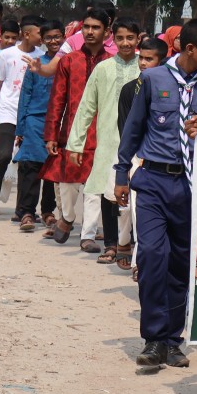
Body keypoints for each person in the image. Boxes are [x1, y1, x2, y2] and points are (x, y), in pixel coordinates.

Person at [115, 18, 197, 369]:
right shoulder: (152, 79)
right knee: (151, 257)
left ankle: (173, 339)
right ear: (190, 48)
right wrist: (121, 172)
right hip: (153, 181)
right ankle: (152, 339)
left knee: (181, 266)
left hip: (192, 185)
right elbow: (133, 128)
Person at [65, 18, 144, 264]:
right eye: (120, 38)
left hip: (139, 142)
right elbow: (86, 106)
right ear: (113, 38)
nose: (125, 43)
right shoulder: (103, 68)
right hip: (108, 138)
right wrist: (75, 143)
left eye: (130, 38)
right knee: (106, 191)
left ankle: (128, 244)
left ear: (138, 39)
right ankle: (110, 244)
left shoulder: (147, 69)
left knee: (135, 195)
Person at [41, 9, 112, 244]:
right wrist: (51, 134)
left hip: (102, 134)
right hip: (72, 132)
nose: (90, 32)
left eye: (96, 27)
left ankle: (88, 235)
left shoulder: (111, 64)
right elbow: (57, 99)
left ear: (106, 32)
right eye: (86, 27)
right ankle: (68, 217)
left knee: (94, 185)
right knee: (67, 183)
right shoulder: (69, 61)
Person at [0, 15, 43, 218]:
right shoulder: (7, 55)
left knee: (28, 161)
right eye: (40, 33)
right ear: (27, 34)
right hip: (7, 112)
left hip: (30, 114)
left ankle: (23, 209)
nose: (43, 37)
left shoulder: (41, 56)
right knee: (4, 154)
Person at [115, 37, 169, 273]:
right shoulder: (129, 90)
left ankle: (140, 262)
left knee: (148, 216)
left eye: (150, 59)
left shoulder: (170, 89)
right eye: (142, 58)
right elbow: (127, 127)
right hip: (138, 157)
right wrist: (126, 162)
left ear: (162, 61)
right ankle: (126, 247)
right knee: (132, 211)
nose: (144, 63)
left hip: (160, 159)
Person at [10, 20, 62, 231]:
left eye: (57, 36)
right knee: (31, 166)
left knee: (52, 167)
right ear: (42, 39)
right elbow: (25, 96)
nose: (53, 41)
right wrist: (21, 128)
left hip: (58, 122)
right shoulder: (35, 63)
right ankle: (27, 212)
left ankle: (48, 212)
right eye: (48, 37)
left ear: (63, 37)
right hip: (34, 120)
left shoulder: (67, 62)